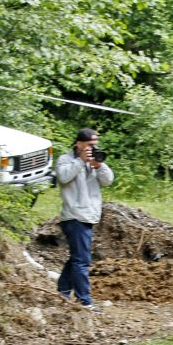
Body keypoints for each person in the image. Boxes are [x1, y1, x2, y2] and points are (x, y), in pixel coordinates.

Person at [55, 128, 114, 311]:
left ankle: (63, 292)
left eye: (95, 144)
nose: (93, 148)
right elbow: (63, 177)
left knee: (76, 258)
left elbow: (108, 181)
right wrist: (80, 161)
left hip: (89, 215)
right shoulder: (66, 160)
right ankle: (85, 300)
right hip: (74, 215)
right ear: (79, 144)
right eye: (90, 145)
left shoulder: (94, 161)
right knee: (82, 260)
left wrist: (99, 165)